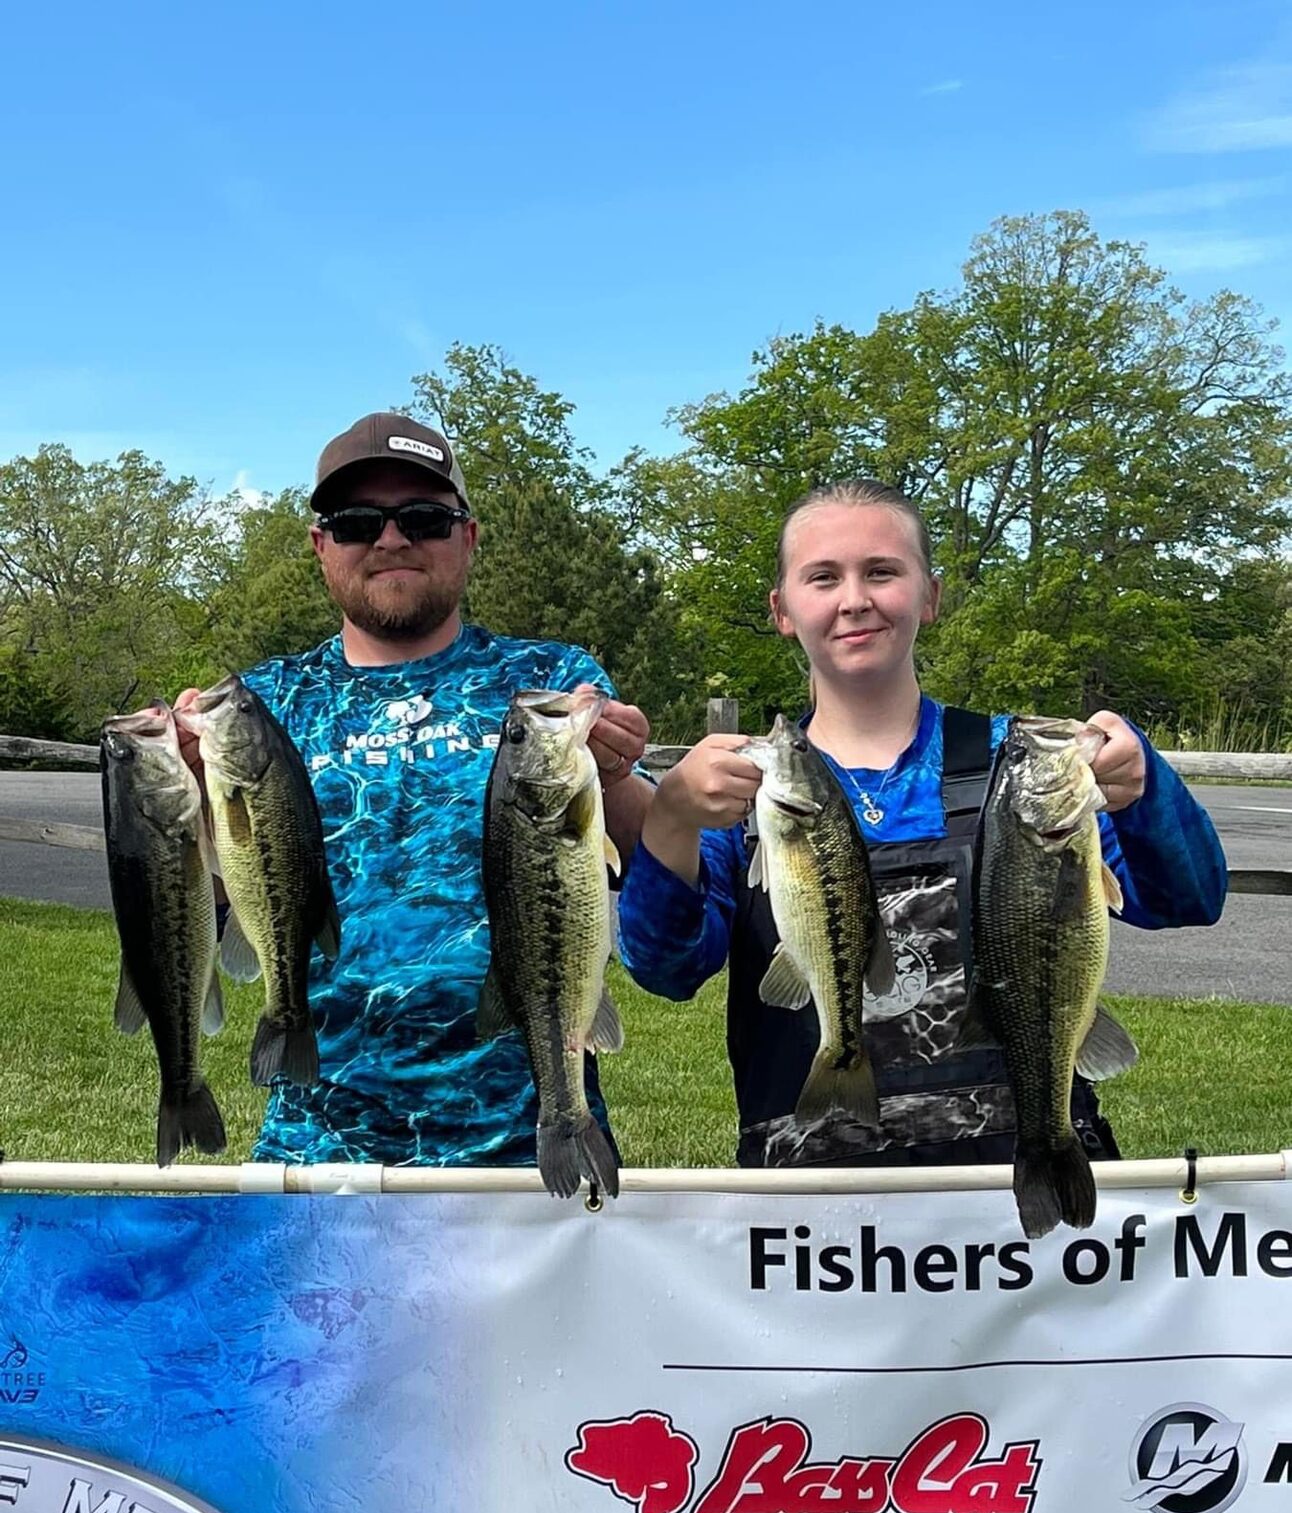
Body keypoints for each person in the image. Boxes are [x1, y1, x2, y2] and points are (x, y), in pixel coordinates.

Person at [616, 479, 1227, 1169]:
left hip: (1007, 1202)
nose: (855, 599)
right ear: (782, 609)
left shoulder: (1023, 767)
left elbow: (1189, 898)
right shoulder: (750, 791)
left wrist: (1142, 783)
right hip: (814, 1219)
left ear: (930, 596)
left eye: (882, 571)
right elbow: (666, 970)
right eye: (823, 577)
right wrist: (669, 820)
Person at [176, 411, 652, 1168]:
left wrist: (619, 775)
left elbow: (645, 863)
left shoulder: (550, 684)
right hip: (315, 1148)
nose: (391, 539)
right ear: (320, 545)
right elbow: (201, 893)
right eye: (358, 521)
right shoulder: (264, 705)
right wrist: (174, 791)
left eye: (424, 518)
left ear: (468, 535)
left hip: (528, 1148)